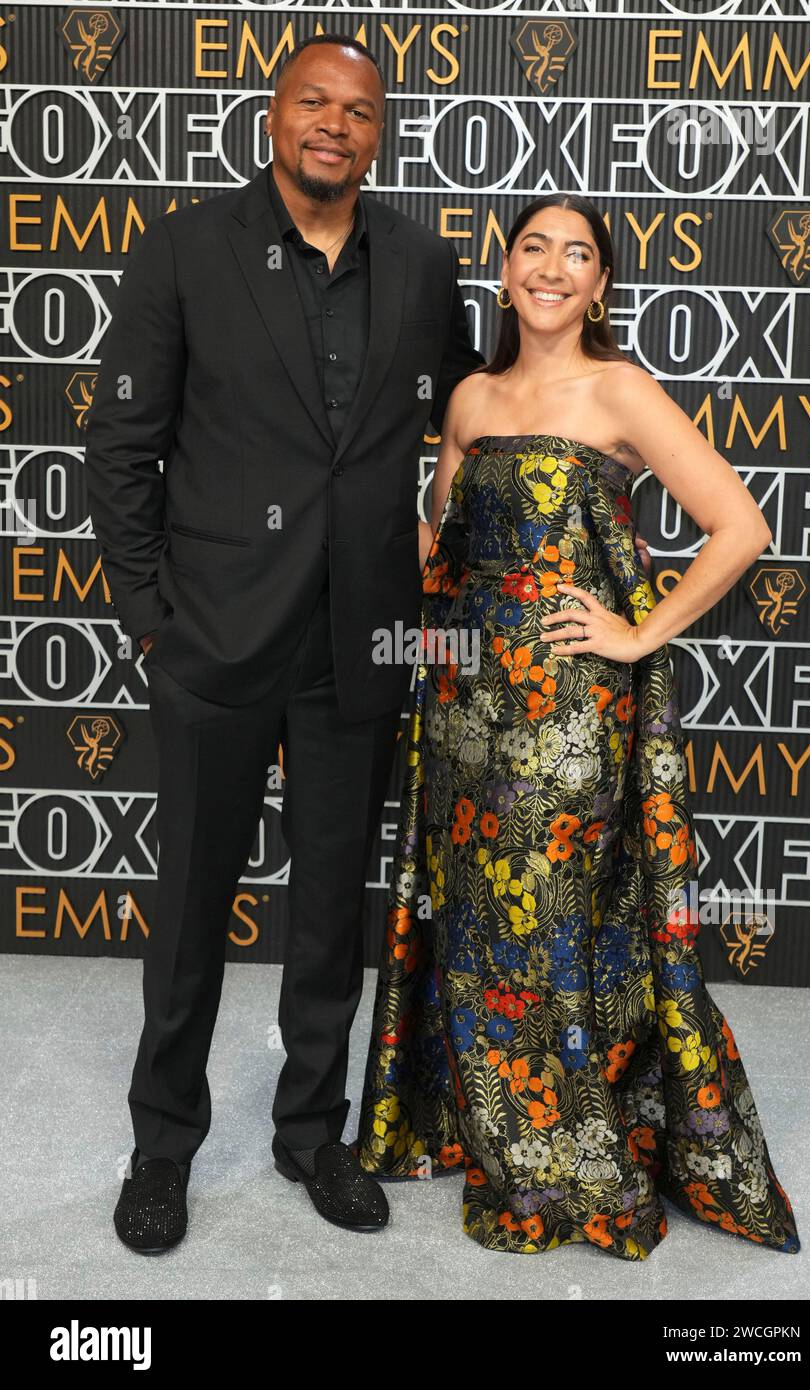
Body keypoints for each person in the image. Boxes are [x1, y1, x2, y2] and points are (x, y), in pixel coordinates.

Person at [84, 33, 487, 1253]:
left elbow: (469, 418)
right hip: (212, 636)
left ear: (379, 133)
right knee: (191, 905)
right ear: (273, 117)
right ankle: (163, 1146)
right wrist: (153, 617)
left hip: (359, 641)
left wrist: (592, 412)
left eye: (357, 110)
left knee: (328, 912)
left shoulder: (421, 264)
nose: (334, 124)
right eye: (312, 101)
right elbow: (121, 448)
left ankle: (314, 1131)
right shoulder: (186, 248)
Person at [356, 194, 802, 1260]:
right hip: (462, 705)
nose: (551, 269)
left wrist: (639, 631)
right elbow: (444, 551)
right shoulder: (467, 397)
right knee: (468, 915)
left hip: (566, 717)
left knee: (554, 920)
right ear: (504, 269)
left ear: (600, 284)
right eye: (531, 248)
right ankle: (473, 1113)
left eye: (578, 255)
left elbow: (738, 525)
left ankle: (562, 1143)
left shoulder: (620, 390)